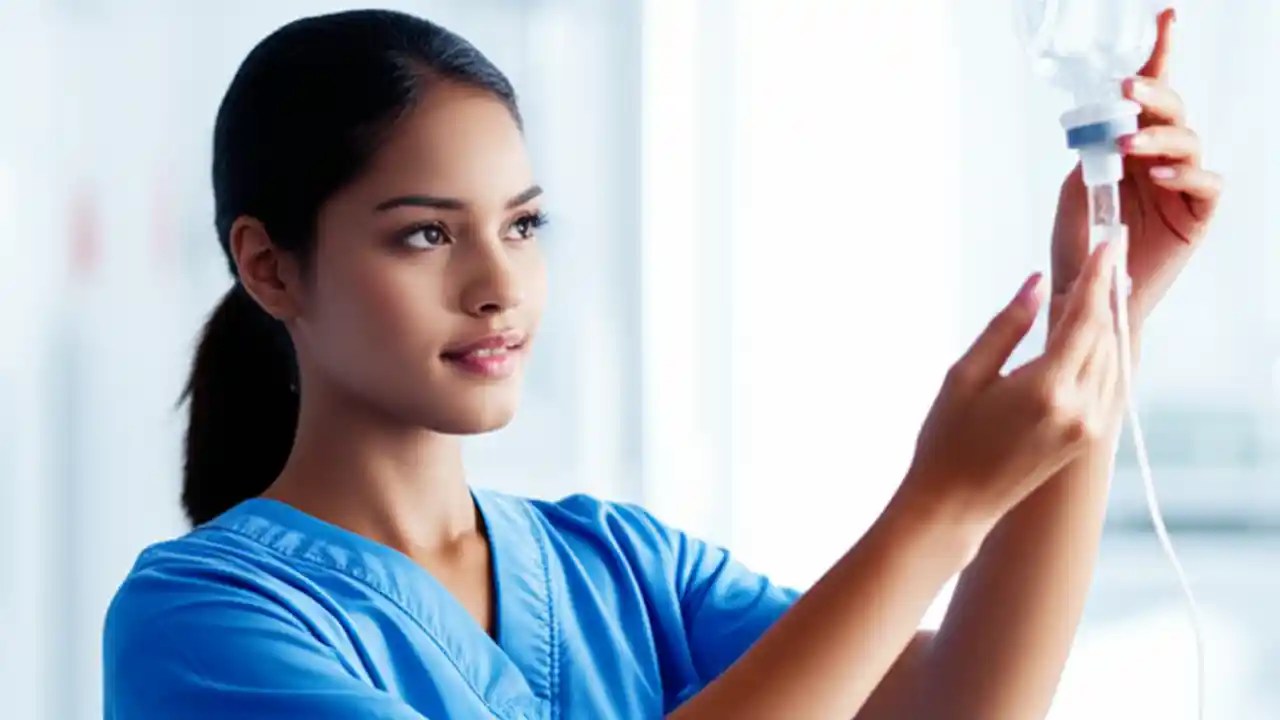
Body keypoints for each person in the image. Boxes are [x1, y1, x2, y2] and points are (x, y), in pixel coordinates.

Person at [102, 8, 1220, 719]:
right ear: (271, 267)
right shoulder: (203, 624)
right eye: (426, 234)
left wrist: (1098, 308)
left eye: (523, 225)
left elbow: (962, 704)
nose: (498, 284)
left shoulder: (623, 570)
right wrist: (940, 507)